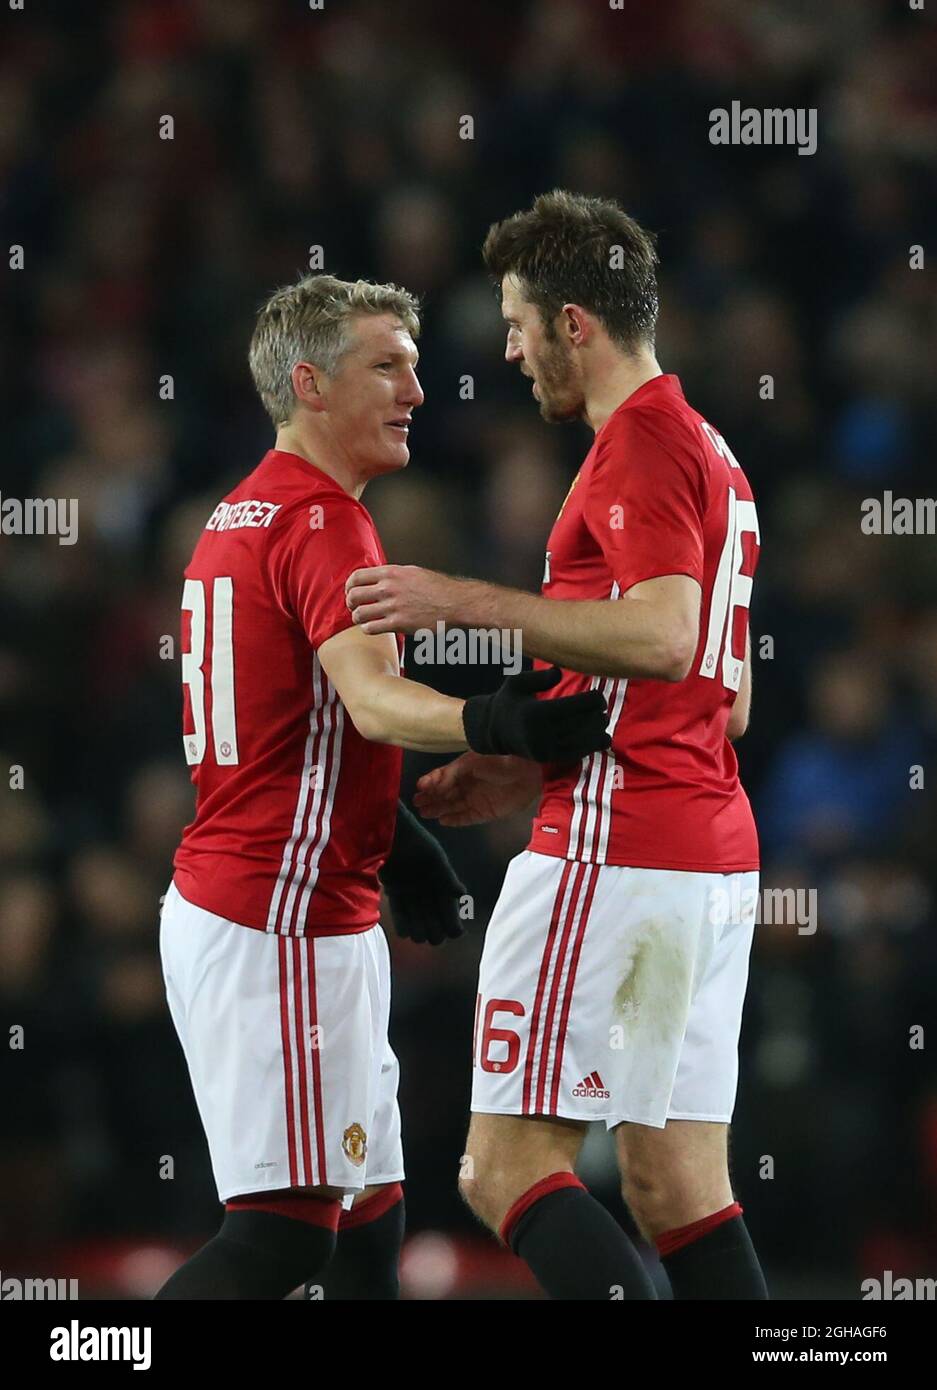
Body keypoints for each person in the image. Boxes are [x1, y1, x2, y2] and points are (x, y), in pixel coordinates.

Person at [345, 191, 768, 1301]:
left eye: (519, 323)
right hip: (707, 856)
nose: (510, 348)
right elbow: (728, 699)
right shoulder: (713, 453)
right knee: (678, 1187)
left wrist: (460, 600)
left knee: (503, 1167)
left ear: (574, 322)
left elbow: (668, 638)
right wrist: (531, 756)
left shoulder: (635, 449)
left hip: (614, 849)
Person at [155, 272, 610, 1300]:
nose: (418, 388)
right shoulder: (321, 522)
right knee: (281, 1237)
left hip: (286, 902)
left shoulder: (236, 516)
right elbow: (369, 701)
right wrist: (502, 722)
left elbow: (289, 732)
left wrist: (393, 838)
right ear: (310, 385)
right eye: (388, 368)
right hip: (278, 919)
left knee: (369, 1221)